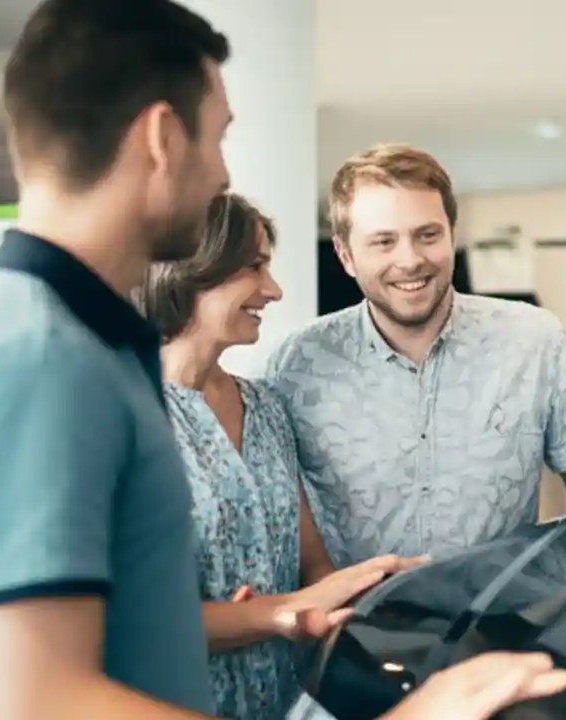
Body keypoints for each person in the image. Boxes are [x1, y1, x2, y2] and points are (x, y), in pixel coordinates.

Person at [0, 2, 566, 718]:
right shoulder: (36, 365)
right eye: (221, 136)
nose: (222, 173)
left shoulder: (85, 349)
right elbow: (39, 703)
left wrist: (281, 611)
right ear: (164, 137)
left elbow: (122, 631)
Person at [266, 143, 566, 569]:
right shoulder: (298, 364)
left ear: (451, 236)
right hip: (356, 627)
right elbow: (283, 515)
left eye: (428, 235)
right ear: (346, 256)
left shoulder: (534, 341)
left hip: (505, 622)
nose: (410, 259)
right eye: (383, 242)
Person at [137, 191, 428, 719]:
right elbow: (135, 623)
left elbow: (311, 567)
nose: (273, 290)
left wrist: (378, 595)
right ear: (194, 270)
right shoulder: (125, 414)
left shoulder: (265, 406)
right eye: (254, 268)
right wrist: (281, 614)